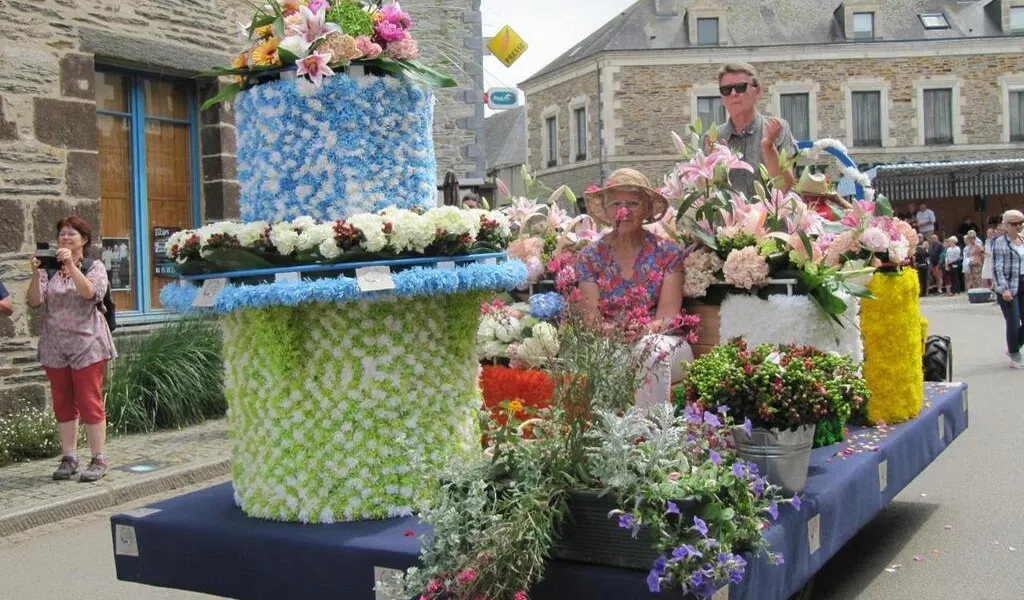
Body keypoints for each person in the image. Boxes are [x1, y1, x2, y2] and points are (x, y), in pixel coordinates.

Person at [578, 168, 693, 409]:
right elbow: (591, 322)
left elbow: (669, 317)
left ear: (647, 208)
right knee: (604, 359)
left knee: (649, 353)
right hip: (611, 340)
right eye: (617, 203)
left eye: (633, 203)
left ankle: (651, 440)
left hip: (662, 341)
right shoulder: (590, 256)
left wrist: (643, 331)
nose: (624, 211)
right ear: (607, 210)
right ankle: (609, 442)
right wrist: (618, 332)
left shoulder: (668, 251)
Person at [27, 216, 117, 482]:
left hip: (88, 344)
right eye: (62, 235)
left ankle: (99, 458)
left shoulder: (94, 266)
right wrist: (35, 273)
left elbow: (91, 294)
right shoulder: (48, 270)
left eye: (71, 235)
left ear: (84, 240)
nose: (65, 238)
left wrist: (71, 266)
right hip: (55, 344)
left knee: (89, 401)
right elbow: (34, 302)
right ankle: (69, 457)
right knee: (63, 402)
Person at [712, 62, 797, 197]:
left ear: (757, 91)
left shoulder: (778, 129)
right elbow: (707, 193)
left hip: (769, 217)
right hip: (731, 218)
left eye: (740, 87)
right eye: (726, 90)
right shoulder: (712, 138)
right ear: (722, 97)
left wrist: (769, 147)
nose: (733, 93)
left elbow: (784, 185)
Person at [992, 209, 1024, 369]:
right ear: (1005, 225)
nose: (1018, 226)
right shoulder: (999, 242)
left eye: (1020, 223)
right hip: (1009, 285)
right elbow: (997, 268)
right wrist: (1003, 289)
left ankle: (1014, 346)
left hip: (1023, 280)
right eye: (1014, 223)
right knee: (1013, 321)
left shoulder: (1022, 238)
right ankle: (1014, 354)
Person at [982, 216, 1002, 287]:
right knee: (986, 276)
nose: (989, 234)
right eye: (988, 233)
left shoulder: (996, 240)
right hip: (987, 259)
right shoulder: (987, 241)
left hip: (992, 259)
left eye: (990, 233)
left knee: (993, 275)